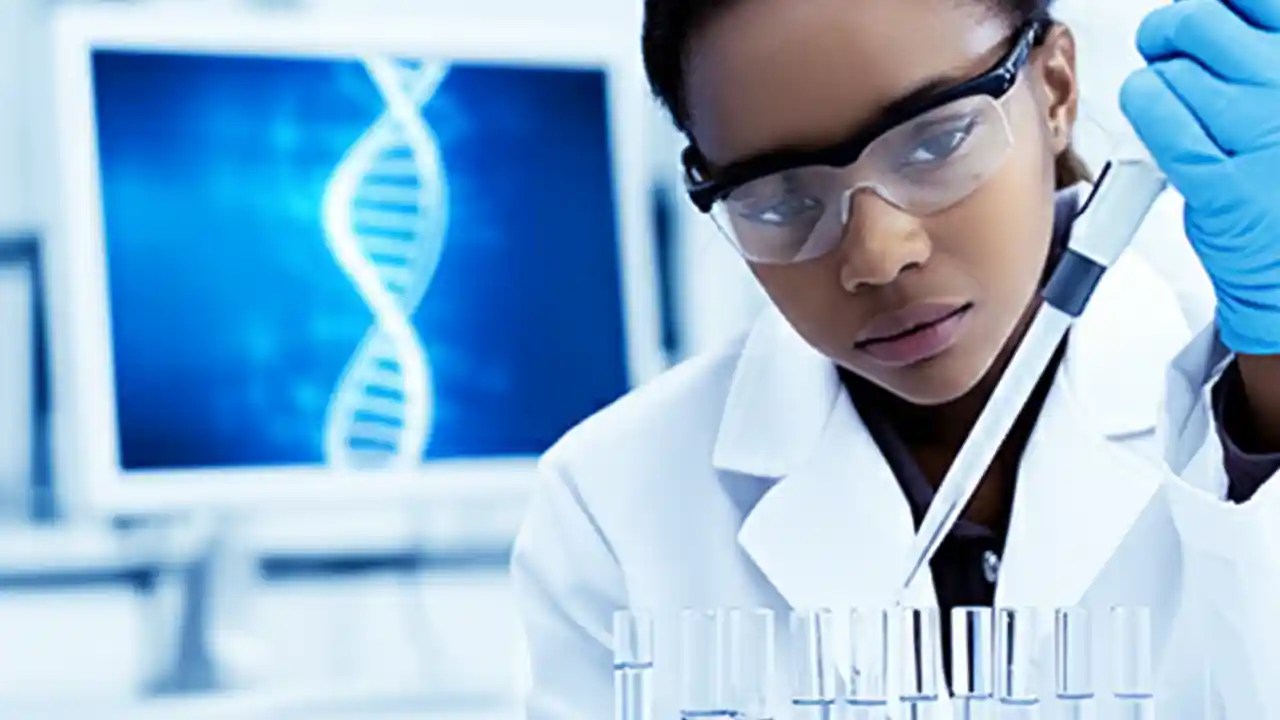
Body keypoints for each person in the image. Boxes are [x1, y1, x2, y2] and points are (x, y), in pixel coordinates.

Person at [511, 0, 1280, 716]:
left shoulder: (1248, 387)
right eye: (780, 200)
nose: (878, 256)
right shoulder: (613, 501)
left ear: (1054, 88)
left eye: (937, 141)